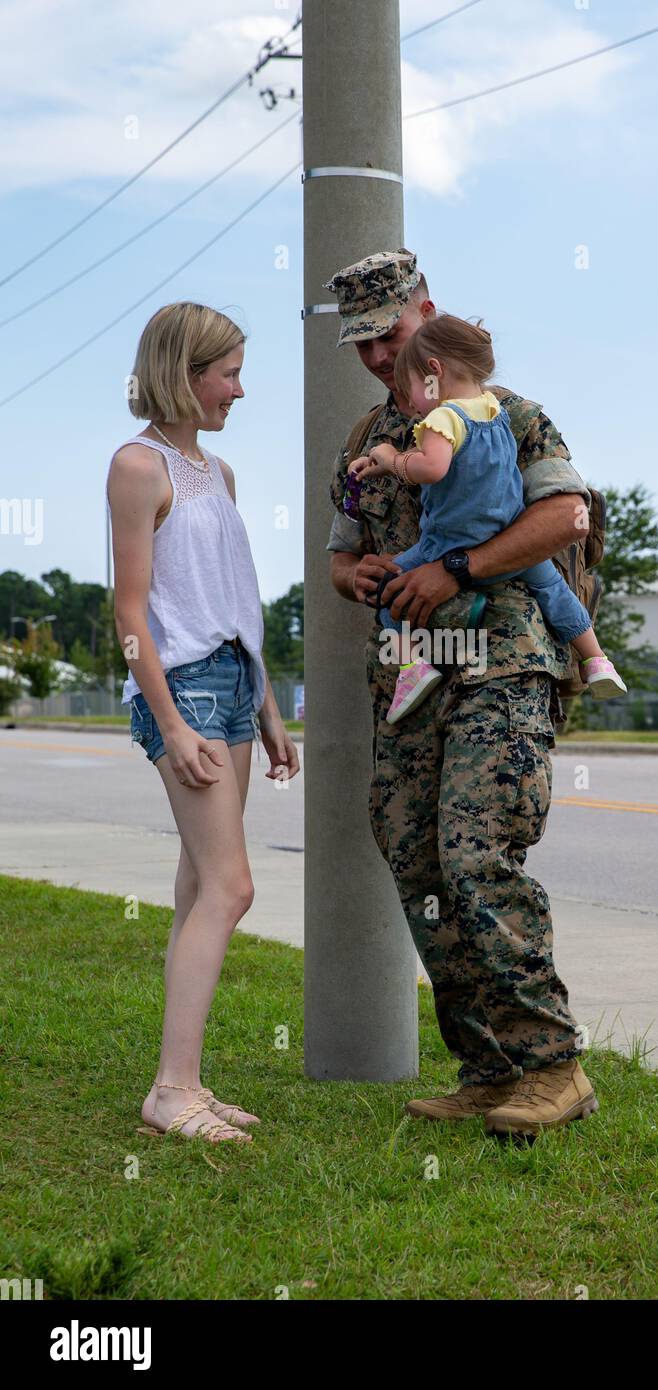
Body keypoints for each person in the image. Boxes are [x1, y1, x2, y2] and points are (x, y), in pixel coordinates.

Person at [324, 249, 600, 1137]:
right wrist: (359, 576)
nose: (377, 359)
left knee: (477, 851)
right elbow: (336, 557)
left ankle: (553, 1065)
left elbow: (565, 517)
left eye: (390, 337)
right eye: (361, 345)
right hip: (411, 679)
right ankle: (487, 1066)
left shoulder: (507, 415)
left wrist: (455, 569)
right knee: (420, 862)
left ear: (427, 314)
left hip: (501, 662)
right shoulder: (372, 435)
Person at [106, 301, 300, 1144]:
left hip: (231, 680)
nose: (240, 390)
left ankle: (181, 1085)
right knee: (232, 886)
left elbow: (232, 600)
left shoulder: (217, 477)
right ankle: (172, 1089)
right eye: (229, 374)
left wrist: (267, 705)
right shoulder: (136, 466)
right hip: (181, 688)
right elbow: (131, 611)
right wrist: (171, 724)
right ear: (185, 375)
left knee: (198, 886)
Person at [348, 312, 626, 724]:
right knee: (556, 592)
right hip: (506, 531)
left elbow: (434, 469)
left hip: (492, 647)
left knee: (391, 597)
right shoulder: (492, 410)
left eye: (411, 391)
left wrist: (392, 459)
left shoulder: (443, 418)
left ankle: (412, 668)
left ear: (433, 373)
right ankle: (596, 659)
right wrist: (351, 574)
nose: (408, 406)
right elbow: (342, 551)